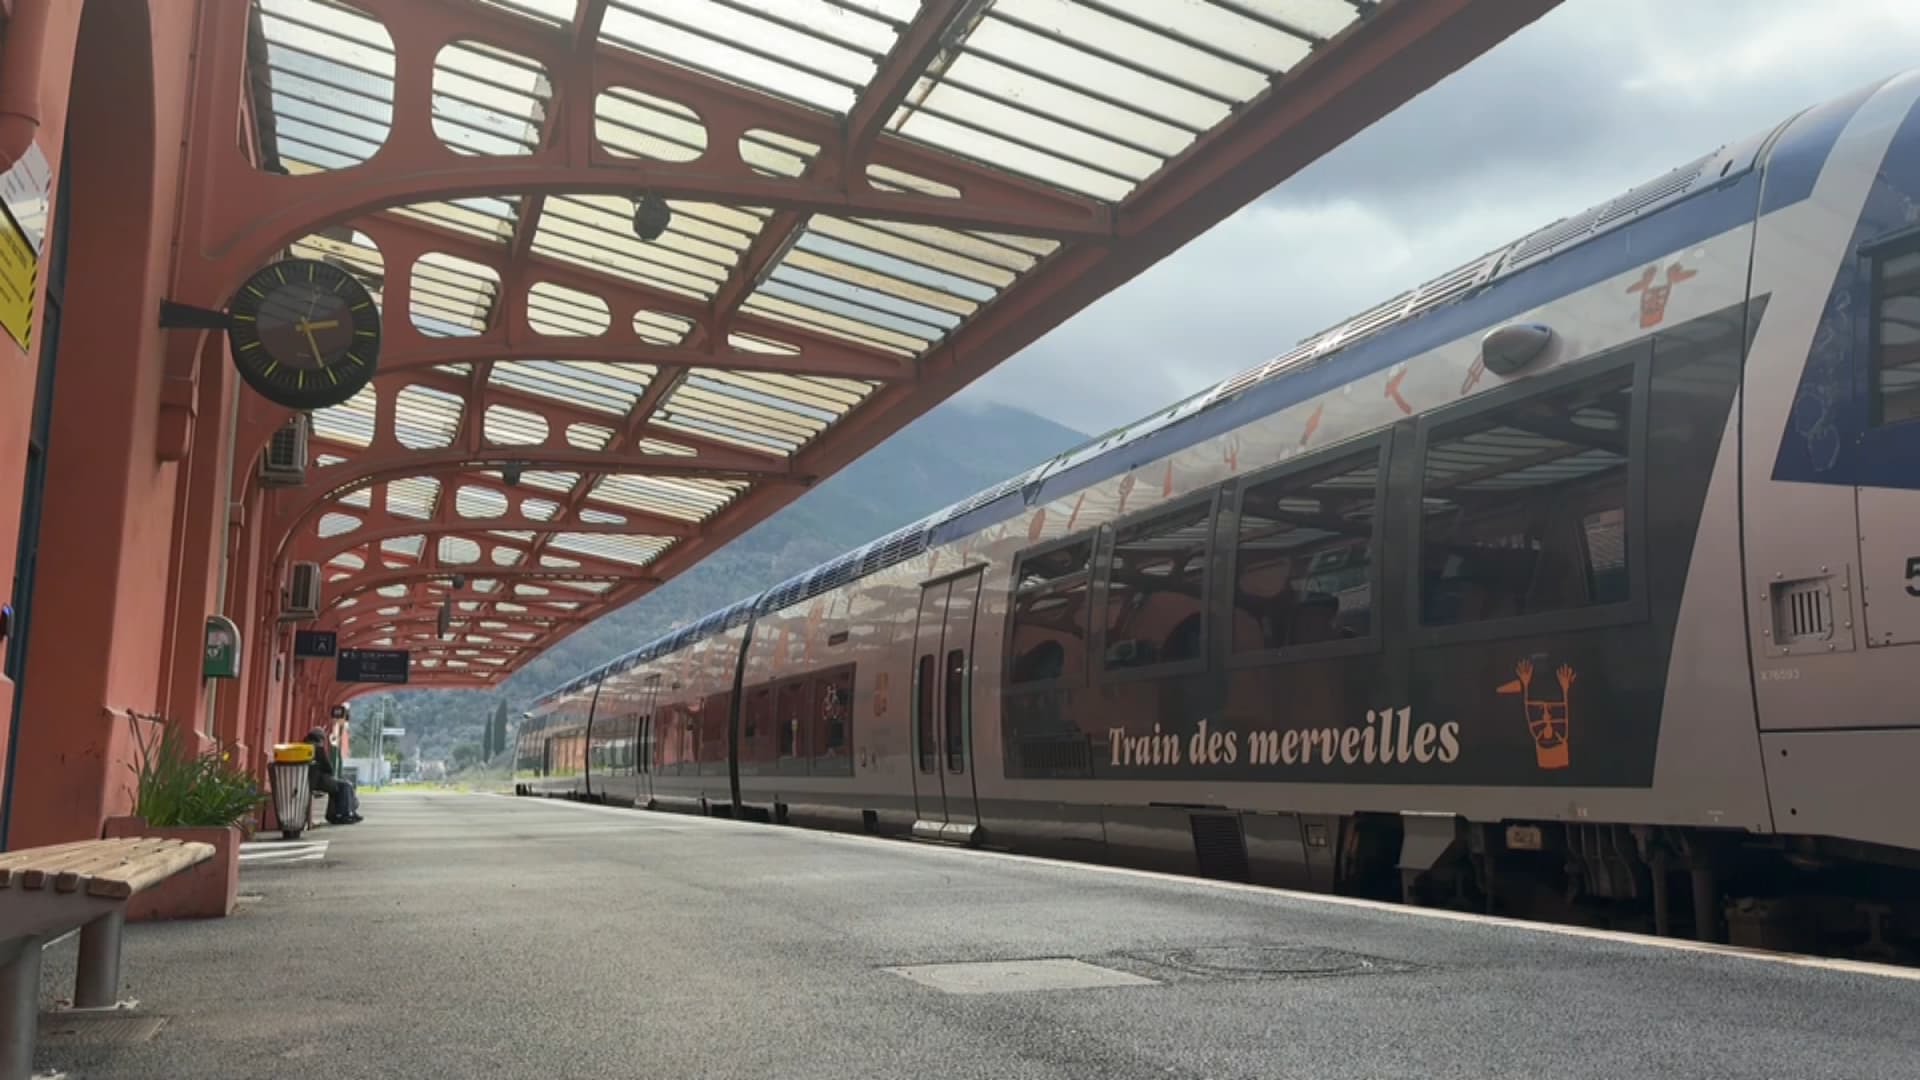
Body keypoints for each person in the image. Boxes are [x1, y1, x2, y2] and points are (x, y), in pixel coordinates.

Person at [305, 727, 362, 825]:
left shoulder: (303, 746)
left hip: (307, 780)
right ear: (321, 739)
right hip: (317, 781)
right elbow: (329, 769)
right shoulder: (318, 748)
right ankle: (345, 814)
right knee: (345, 785)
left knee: (341, 785)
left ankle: (345, 813)